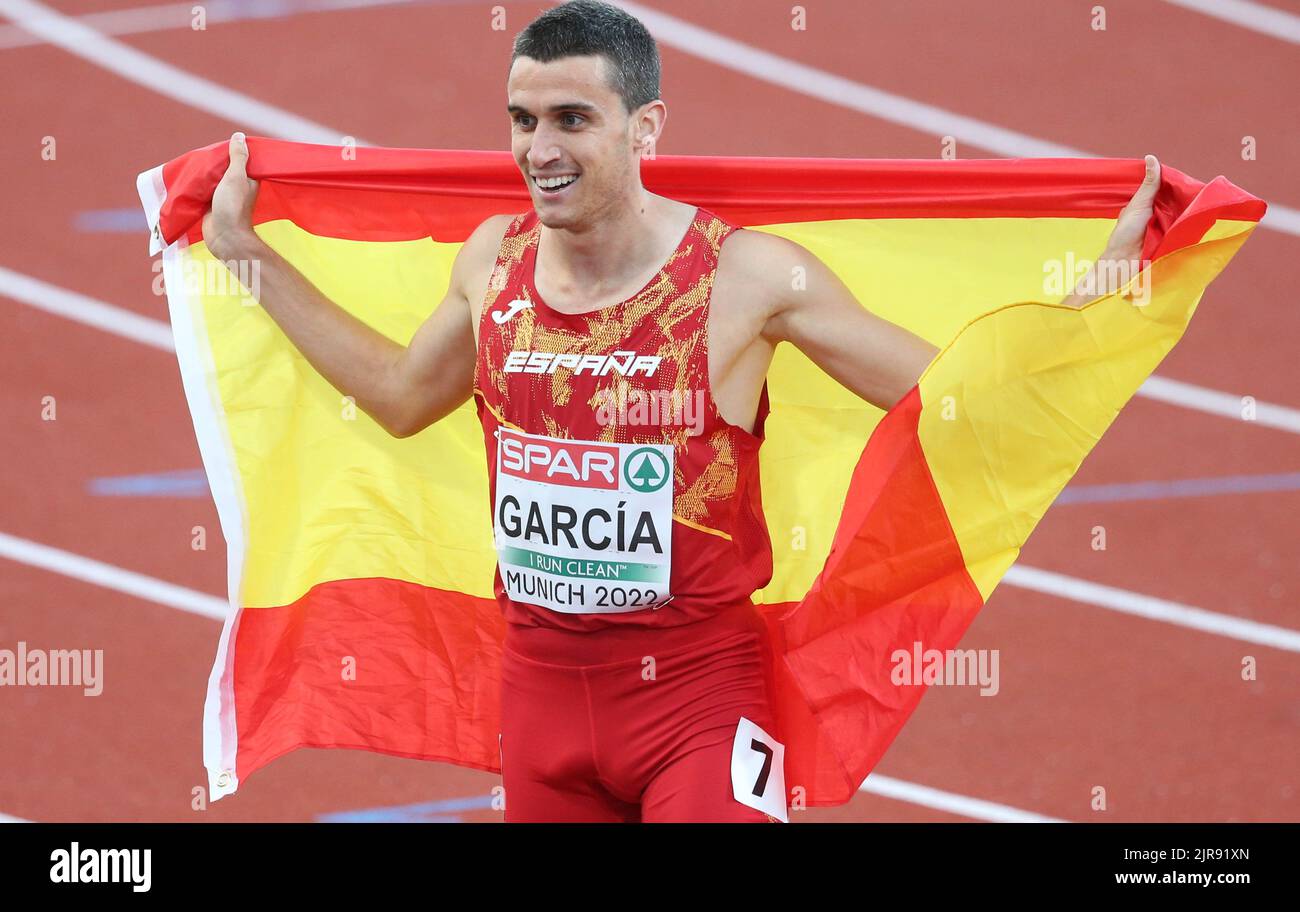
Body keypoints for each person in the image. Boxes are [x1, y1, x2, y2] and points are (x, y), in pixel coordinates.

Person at [199, 0, 1160, 822]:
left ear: (644, 126)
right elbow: (402, 398)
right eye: (521, 120)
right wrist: (244, 251)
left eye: (572, 119)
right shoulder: (491, 263)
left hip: (698, 700)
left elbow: (953, 402)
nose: (541, 150)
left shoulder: (746, 279)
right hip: (537, 697)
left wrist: (1091, 303)